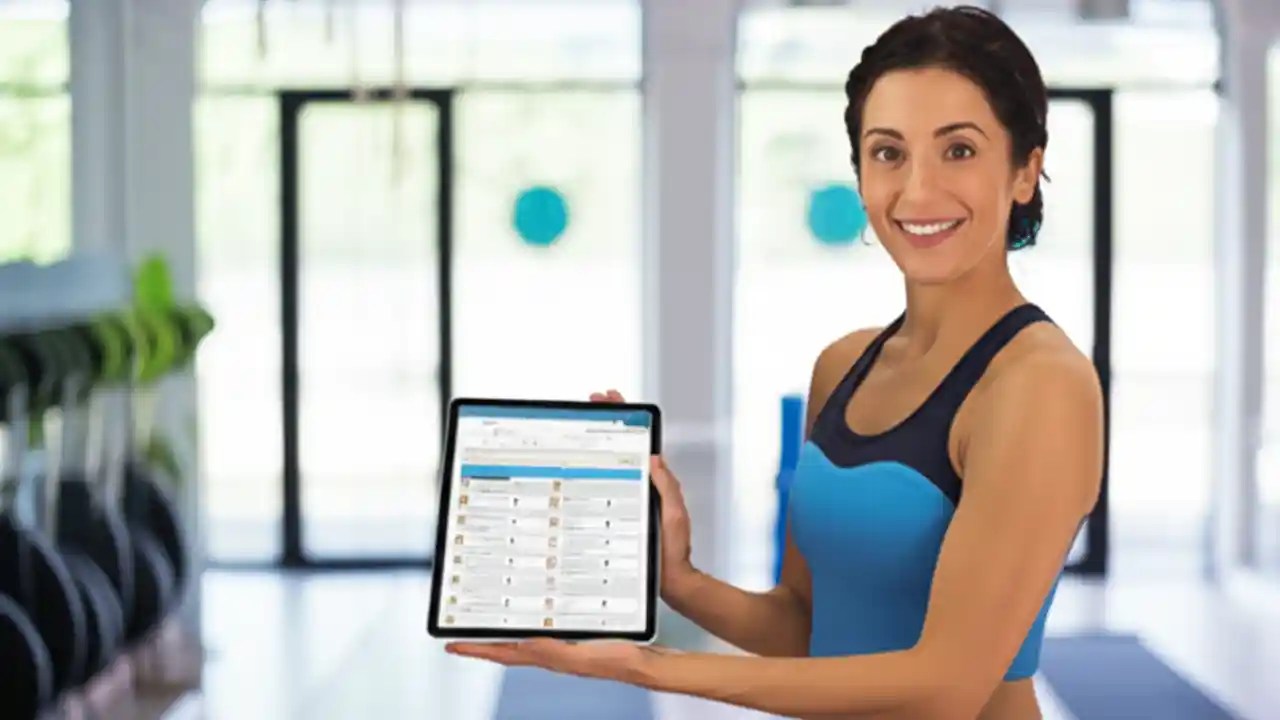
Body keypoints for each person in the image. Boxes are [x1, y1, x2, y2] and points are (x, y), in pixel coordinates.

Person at [446, 7, 1102, 719]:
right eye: (888, 153)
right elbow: (805, 629)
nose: (917, 191)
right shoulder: (844, 365)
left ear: (1025, 170)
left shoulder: (1040, 384)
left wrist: (649, 665)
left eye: (959, 150)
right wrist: (679, 581)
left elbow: (945, 686)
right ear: (860, 174)